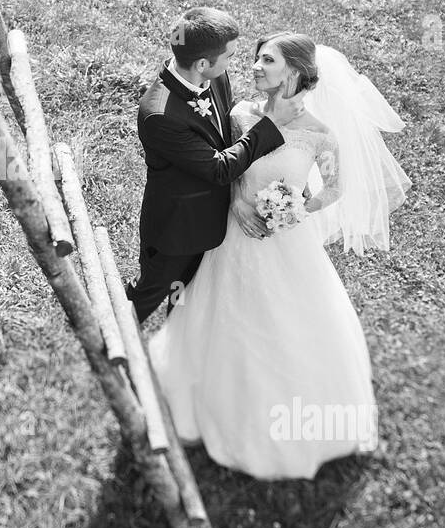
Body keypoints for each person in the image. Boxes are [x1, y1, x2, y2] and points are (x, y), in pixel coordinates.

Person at [146, 31, 411, 479]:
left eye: (265, 60)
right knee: (219, 317)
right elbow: (226, 165)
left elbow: (336, 188)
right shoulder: (242, 114)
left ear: (293, 72)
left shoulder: (320, 137)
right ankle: (212, 406)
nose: (253, 66)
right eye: (252, 58)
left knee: (290, 326)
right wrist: (235, 200)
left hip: (286, 245)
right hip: (232, 236)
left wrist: (295, 210)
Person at [125, 8, 304, 324]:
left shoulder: (215, 77)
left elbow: (225, 136)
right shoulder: (160, 116)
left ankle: (173, 336)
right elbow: (218, 168)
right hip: (176, 231)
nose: (234, 64)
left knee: (184, 296)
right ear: (202, 64)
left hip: (211, 223)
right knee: (153, 289)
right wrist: (272, 124)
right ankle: (109, 336)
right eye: (229, 57)